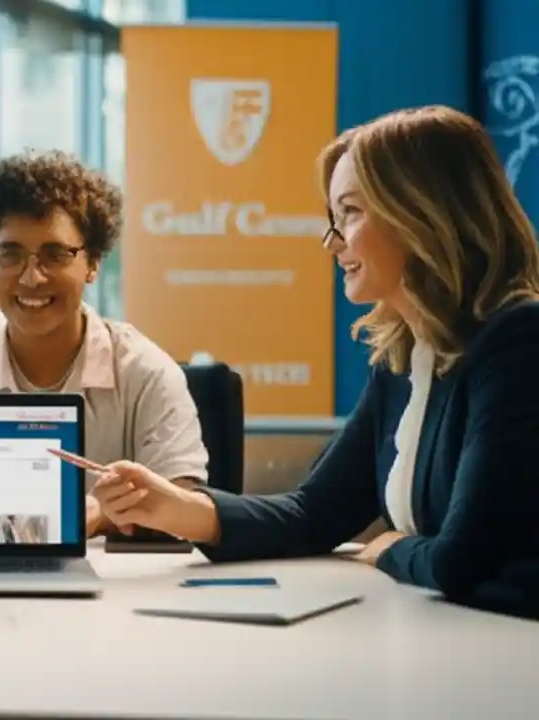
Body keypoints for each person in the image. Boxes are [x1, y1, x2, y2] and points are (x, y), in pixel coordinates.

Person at [88, 105, 539, 618]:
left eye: (350, 212)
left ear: (423, 212)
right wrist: (177, 508)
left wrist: (391, 548)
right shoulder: (402, 359)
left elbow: (463, 560)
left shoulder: (518, 343)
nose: (332, 241)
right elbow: (314, 514)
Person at [0, 150, 209, 537]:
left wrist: (99, 516)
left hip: (116, 591)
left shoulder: (145, 372)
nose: (32, 277)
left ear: (93, 262)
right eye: (9, 253)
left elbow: (185, 506)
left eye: (56, 254)